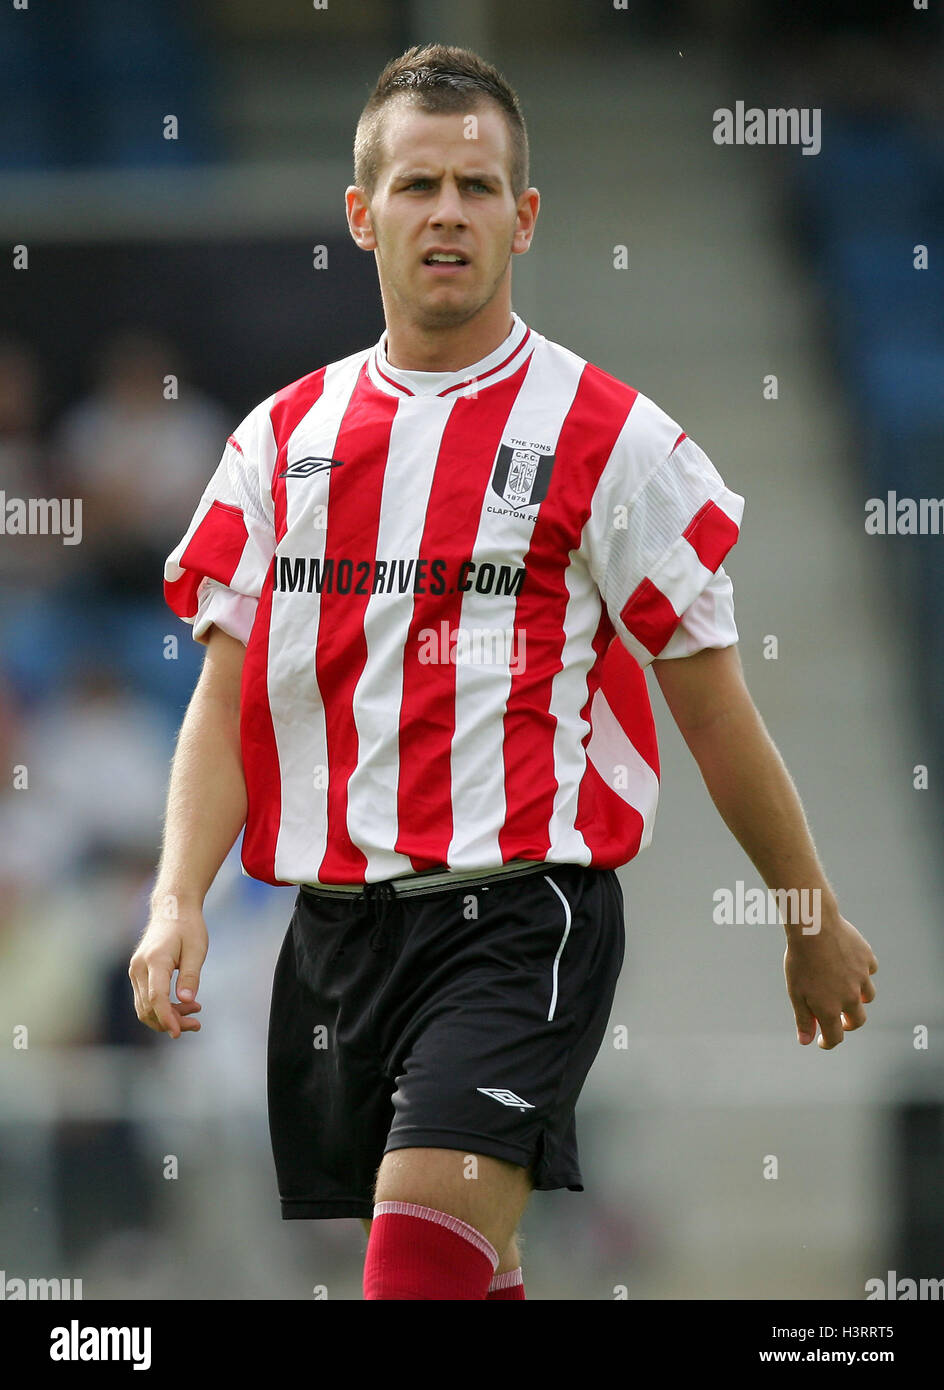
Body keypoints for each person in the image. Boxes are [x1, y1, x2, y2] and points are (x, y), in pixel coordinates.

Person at [129, 43, 878, 1301]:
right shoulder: (278, 444)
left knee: (409, 1276)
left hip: (517, 918)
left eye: (477, 188)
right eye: (418, 186)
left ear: (522, 218)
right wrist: (176, 897)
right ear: (361, 214)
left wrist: (805, 914)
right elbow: (224, 700)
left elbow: (712, 710)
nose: (447, 214)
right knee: (475, 1275)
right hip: (334, 935)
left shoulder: (610, 441)